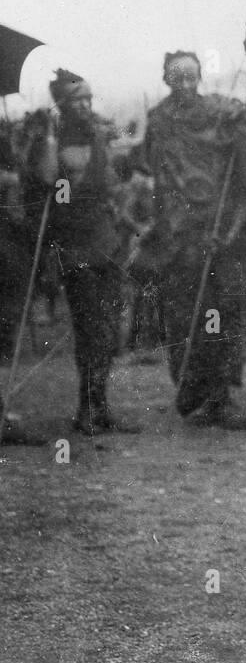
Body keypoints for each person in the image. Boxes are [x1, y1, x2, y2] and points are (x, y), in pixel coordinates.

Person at [23, 72, 141, 436]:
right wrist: (48, 142)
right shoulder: (53, 144)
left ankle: (101, 406)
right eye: (78, 100)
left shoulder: (99, 136)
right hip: (75, 247)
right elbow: (50, 191)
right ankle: (87, 410)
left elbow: (123, 166)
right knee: (90, 329)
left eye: (89, 98)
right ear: (63, 104)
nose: (87, 105)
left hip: (106, 242)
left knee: (108, 330)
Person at [144, 51, 246, 428]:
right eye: (178, 78)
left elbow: (240, 156)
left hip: (216, 228)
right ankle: (193, 388)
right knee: (183, 315)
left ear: (201, 77)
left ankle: (220, 394)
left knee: (217, 312)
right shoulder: (157, 120)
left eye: (192, 78)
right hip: (178, 234)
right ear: (166, 79)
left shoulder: (219, 112)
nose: (186, 86)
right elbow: (156, 175)